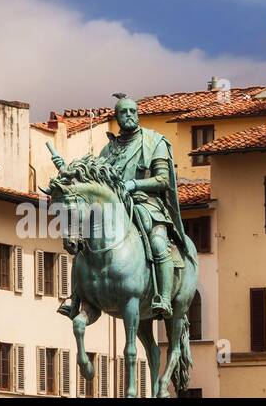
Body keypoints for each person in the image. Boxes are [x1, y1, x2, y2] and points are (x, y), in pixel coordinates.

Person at [53, 94, 187, 319]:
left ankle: (163, 298)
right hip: (114, 209)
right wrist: (65, 169)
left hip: (147, 203)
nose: (129, 116)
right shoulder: (108, 150)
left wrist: (134, 184)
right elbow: (93, 182)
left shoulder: (155, 142)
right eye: (124, 112)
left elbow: (163, 180)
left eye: (132, 112)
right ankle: (75, 298)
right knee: (83, 241)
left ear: (138, 114)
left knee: (157, 241)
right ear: (116, 117)